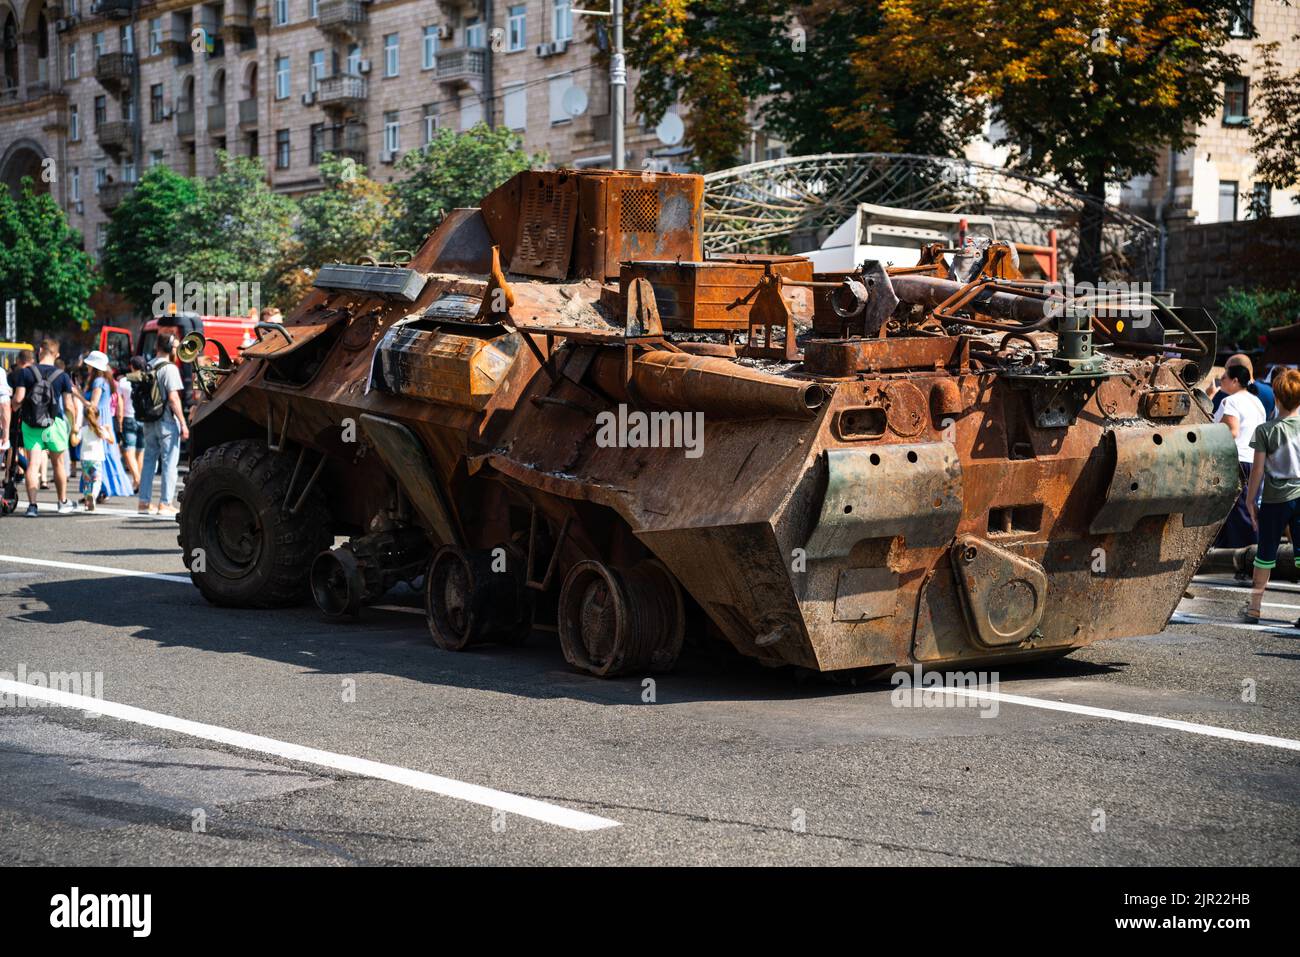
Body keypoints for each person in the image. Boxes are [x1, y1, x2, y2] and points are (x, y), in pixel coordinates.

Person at [1243, 369, 1300, 623]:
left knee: (1265, 555)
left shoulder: (1265, 431)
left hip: (1274, 499)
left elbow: (1258, 470)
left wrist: (1250, 499)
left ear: (1275, 397)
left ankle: (1255, 607)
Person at [11, 338, 80, 516]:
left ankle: (32, 506)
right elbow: (69, 405)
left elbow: (18, 400)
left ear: (40, 350)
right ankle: (62, 501)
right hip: (54, 423)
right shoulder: (62, 376)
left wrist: (16, 408)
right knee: (58, 464)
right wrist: (73, 427)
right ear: (56, 354)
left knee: (33, 464)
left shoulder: (25, 373)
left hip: (31, 423)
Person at [134, 333, 189, 515]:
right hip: (166, 421)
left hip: (148, 421)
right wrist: (183, 423)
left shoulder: (147, 366)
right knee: (169, 463)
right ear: (171, 348)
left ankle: (144, 502)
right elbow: (173, 398)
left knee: (149, 461)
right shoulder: (170, 369)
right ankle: (165, 503)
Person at [1214, 364, 1268, 548]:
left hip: (1237, 460)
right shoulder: (1257, 402)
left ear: (1235, 381)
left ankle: (1252, 553)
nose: (1221, 381)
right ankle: (1230, 551)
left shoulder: (1231, 401)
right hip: (1255, 460)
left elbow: (1232, 431)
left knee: (1239, 510)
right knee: (1246, 508)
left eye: (1224, 378)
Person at [82, 351, 132, 500]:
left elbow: (93, 405)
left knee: (98, 455)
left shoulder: (98, 381)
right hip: (104, 419)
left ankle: (101, 489)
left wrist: (77, 394)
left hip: (98, 419)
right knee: (105, 454)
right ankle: (101, 490)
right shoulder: (105, 380)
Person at [76, 397, 112, 512]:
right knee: (96, 481)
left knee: (87, 481)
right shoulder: (100, 429)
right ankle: (93, 497)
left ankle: (87, 500)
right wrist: (109, 429)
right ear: (98, 417)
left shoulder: (83, 429)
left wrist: (74, 431)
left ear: (86, 418)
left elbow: (75, 442)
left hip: (85, 459)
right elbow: (111, 441)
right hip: (97, 459)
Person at [1212, 354, 1275, 419]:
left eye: (1227, 370)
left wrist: (1210, 396)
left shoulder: (1226, 394)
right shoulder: (1270, 392)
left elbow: (1211, 420)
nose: (1224, 374)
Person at [117, 356, 144, 491]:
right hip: (144, 418)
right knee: (140, 451)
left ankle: (137, 479)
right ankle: (137, 481)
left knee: (128, 451)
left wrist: (119, 421)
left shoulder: (123, 381)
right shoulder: (146, 379)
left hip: (129, 417)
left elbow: (120, 404)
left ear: (131, 366)